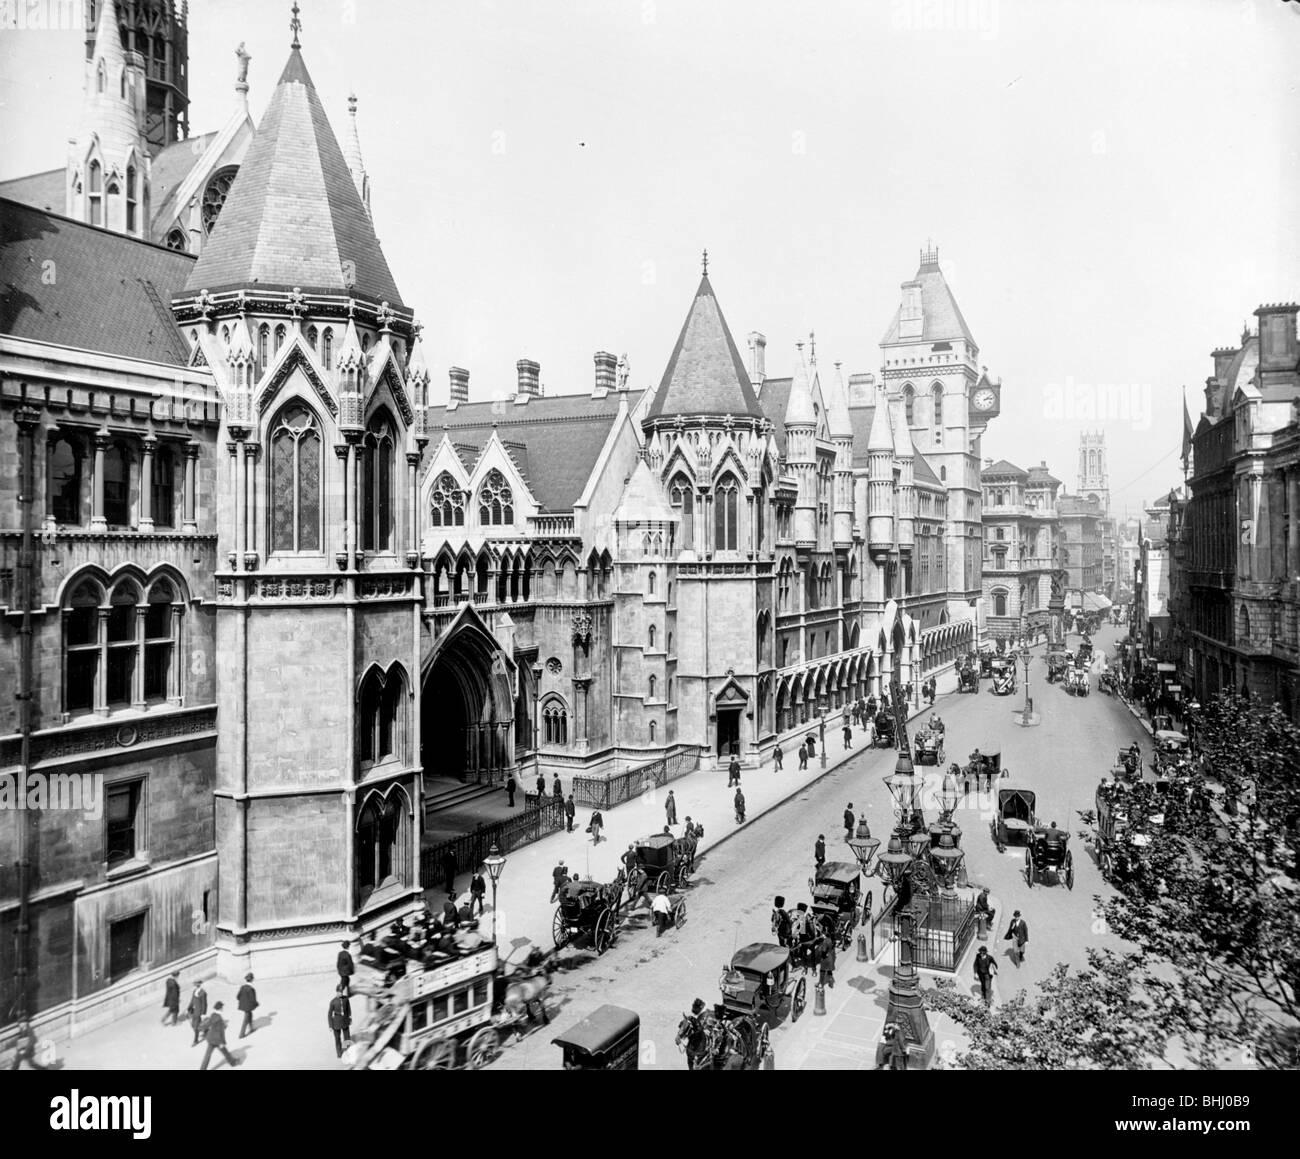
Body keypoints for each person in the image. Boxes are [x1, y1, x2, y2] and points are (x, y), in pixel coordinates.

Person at [199, 1001, 239, 1070]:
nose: (223, 1008)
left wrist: (201, 1028)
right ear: (220, 1008)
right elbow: (219, 1032)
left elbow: (208, 1024)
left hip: (210, 1038)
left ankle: (202, 1068)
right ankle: (233, 1063)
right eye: (222, 1007)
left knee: (207, 1055)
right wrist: (221, 1042)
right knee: (225, 1051)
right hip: (217, 1040)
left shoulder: (213, 1015)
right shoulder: (219, 1019)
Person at [328, 983, 352, 1059]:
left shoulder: (346, 999)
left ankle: (348, 1051)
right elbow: (329, 1014)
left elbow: (349, 1009)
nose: (340, 993)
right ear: (336, 991)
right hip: (336, 1023)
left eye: (341, 992)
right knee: (337, 1039)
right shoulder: (333, 1002)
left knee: (347, 1038)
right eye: (339, 992)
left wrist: (350, 1018)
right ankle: (339, 1053)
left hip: (345, 1021)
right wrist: (330, 1026)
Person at [236, 973, 258, 1038]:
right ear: (252, 980)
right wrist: (256, 1004)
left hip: (243, 1006)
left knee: (250, 1016)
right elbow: (252, 999)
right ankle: (241, 1034)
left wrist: (243, 1001)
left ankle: (251, 1028)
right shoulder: (251, 989)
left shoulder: (242, 987)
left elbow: (238, 997)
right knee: (245, 1020)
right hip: (248, 1007)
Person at [187, 980, 208, 1047]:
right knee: (193, 1025)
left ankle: (195, 1041)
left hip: (199, 1012)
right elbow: (192, 1000)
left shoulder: (203, 993)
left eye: (197, 984)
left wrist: (203, 1013)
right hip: (194, 1011)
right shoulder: (194, 991)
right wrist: (189, 1007)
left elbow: (204, 1004)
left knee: (196, 1027)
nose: (196, 985)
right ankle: (205, 1030)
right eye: (195, 984)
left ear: (200, 984)